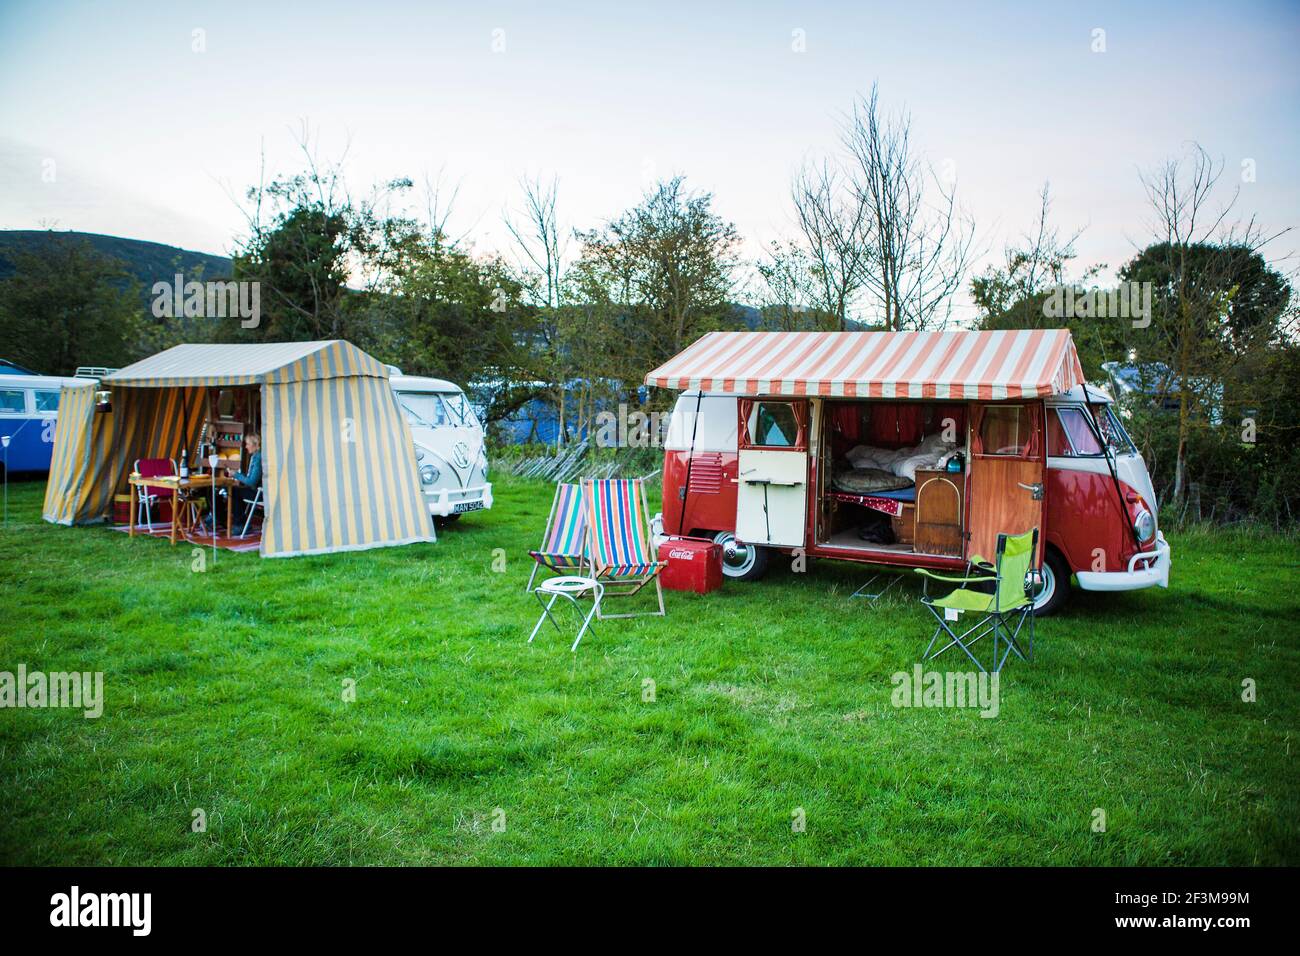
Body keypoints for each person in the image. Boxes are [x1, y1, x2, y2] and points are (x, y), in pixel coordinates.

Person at [228, 433, 262, 529]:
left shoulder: (258, 458)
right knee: (234, 490)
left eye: (248, 444)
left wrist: (236, 475)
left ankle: (240, 524)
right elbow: (250, 478)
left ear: (255, 445)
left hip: (259, 493)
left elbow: (252, 482)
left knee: (234, 492)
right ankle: (241, 522)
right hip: (255, 490)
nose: (246, 447)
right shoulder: (255, 456)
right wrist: (238, 475)